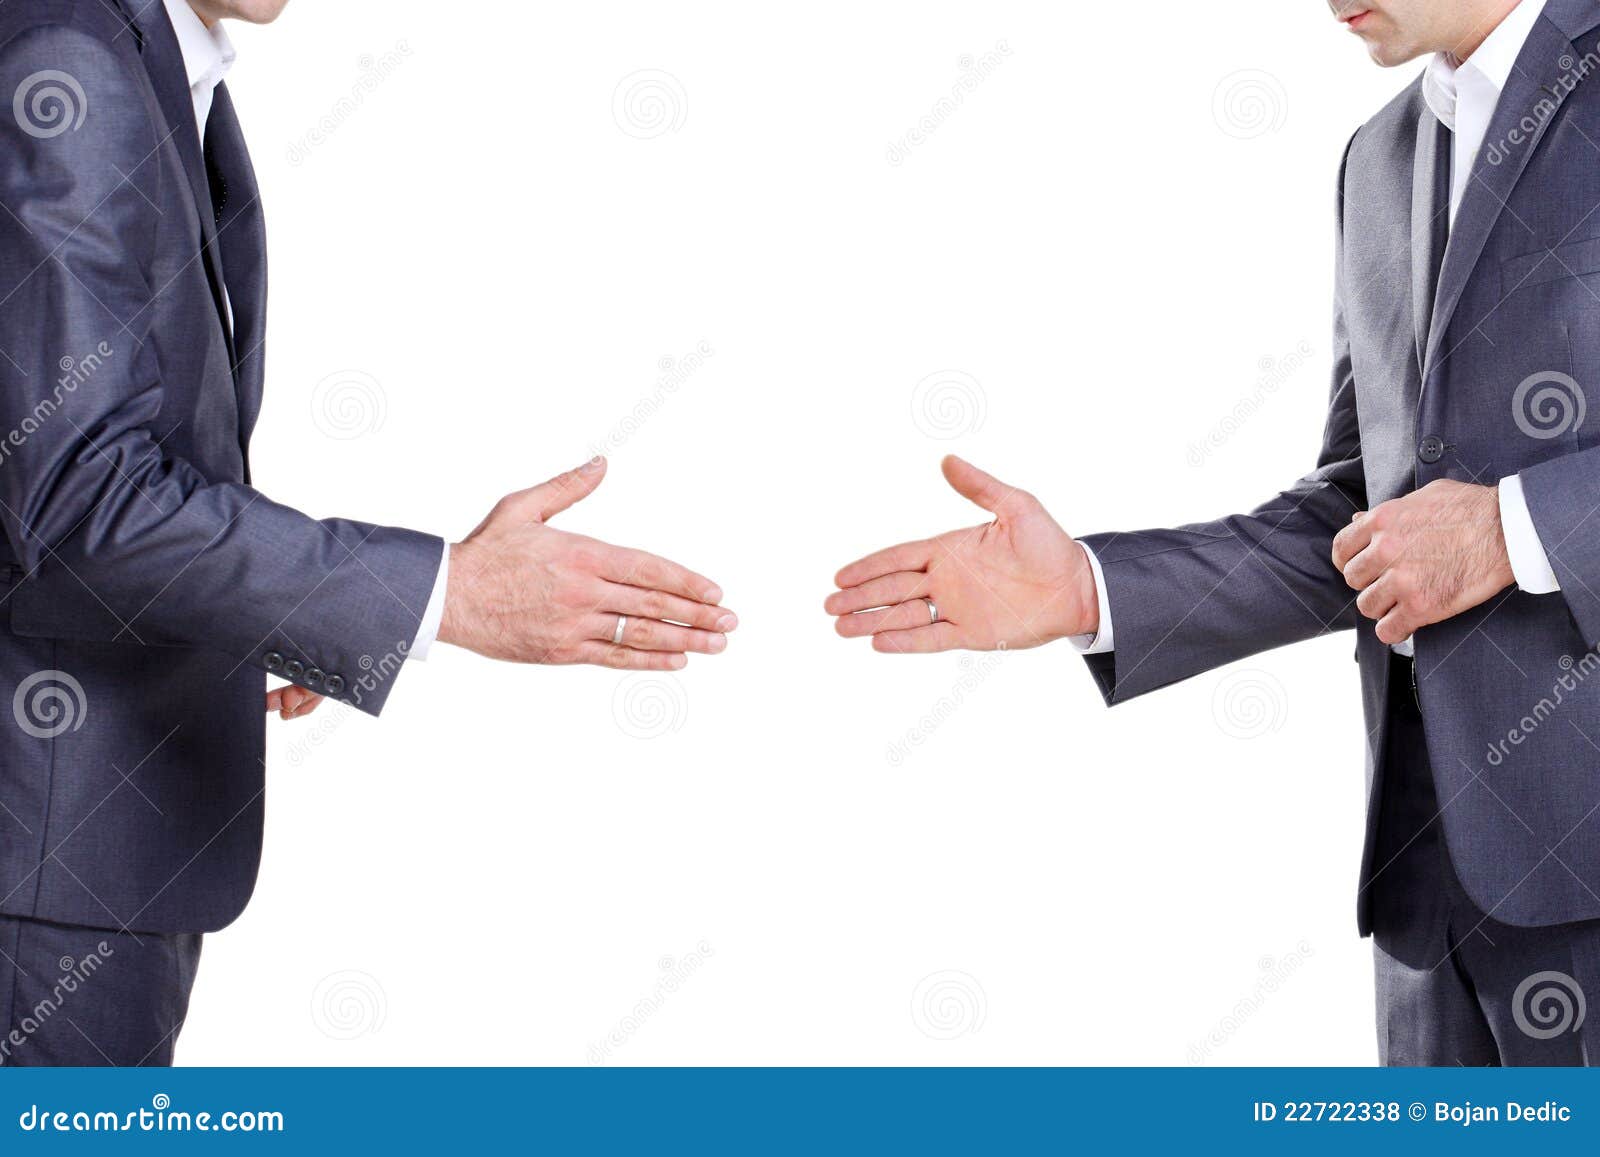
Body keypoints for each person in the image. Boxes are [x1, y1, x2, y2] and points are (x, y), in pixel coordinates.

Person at [830, 0, 1600, 1064]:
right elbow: (1364, 516)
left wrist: (1515, 530)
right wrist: (1092, 589)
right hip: (1434, 914)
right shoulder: (1377, 158)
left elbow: (1465, 532)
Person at [0, 0, 735, 1065]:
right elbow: (72, 498)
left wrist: (271, 614)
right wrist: (442, 594)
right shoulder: (72, 60)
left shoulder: (145, 59)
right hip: (41, 873)